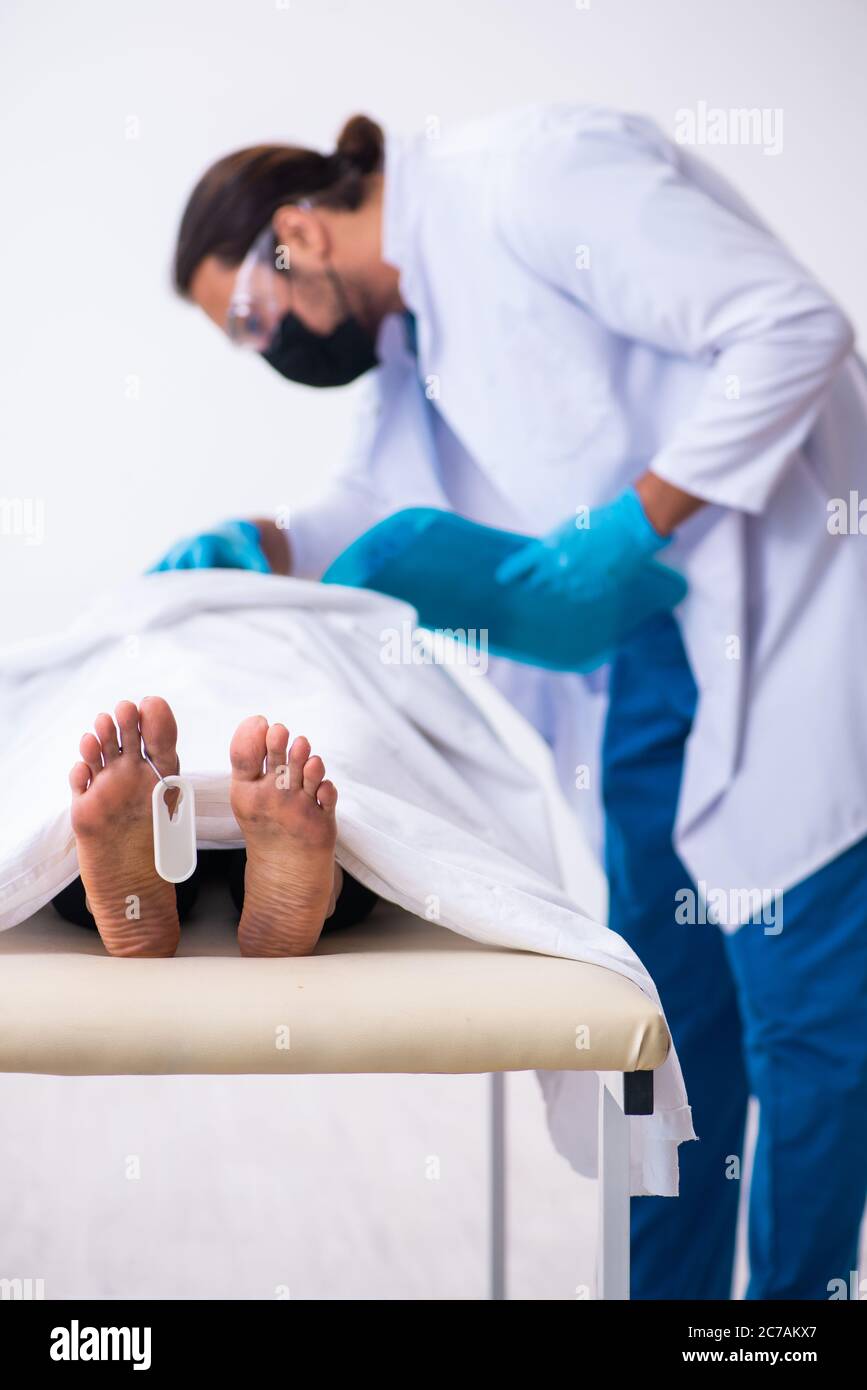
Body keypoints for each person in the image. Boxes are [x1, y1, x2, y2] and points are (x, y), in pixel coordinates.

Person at [160, 105, 867, 1300]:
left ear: (296, 236)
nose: (264, 346)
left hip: (798, 607)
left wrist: (639, 513)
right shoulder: (412, 334)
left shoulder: (536, 178)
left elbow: (790, 326)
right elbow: (365, 511)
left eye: (249, 314)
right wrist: (254, 544)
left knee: (807, 1025)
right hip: (655, 655)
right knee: (668, 1029)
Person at [53, 697, 376, 958]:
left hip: (156, 834)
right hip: (278, 809)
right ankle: (330, 886)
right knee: (346, 742)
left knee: (68, 854)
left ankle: (99, 895)